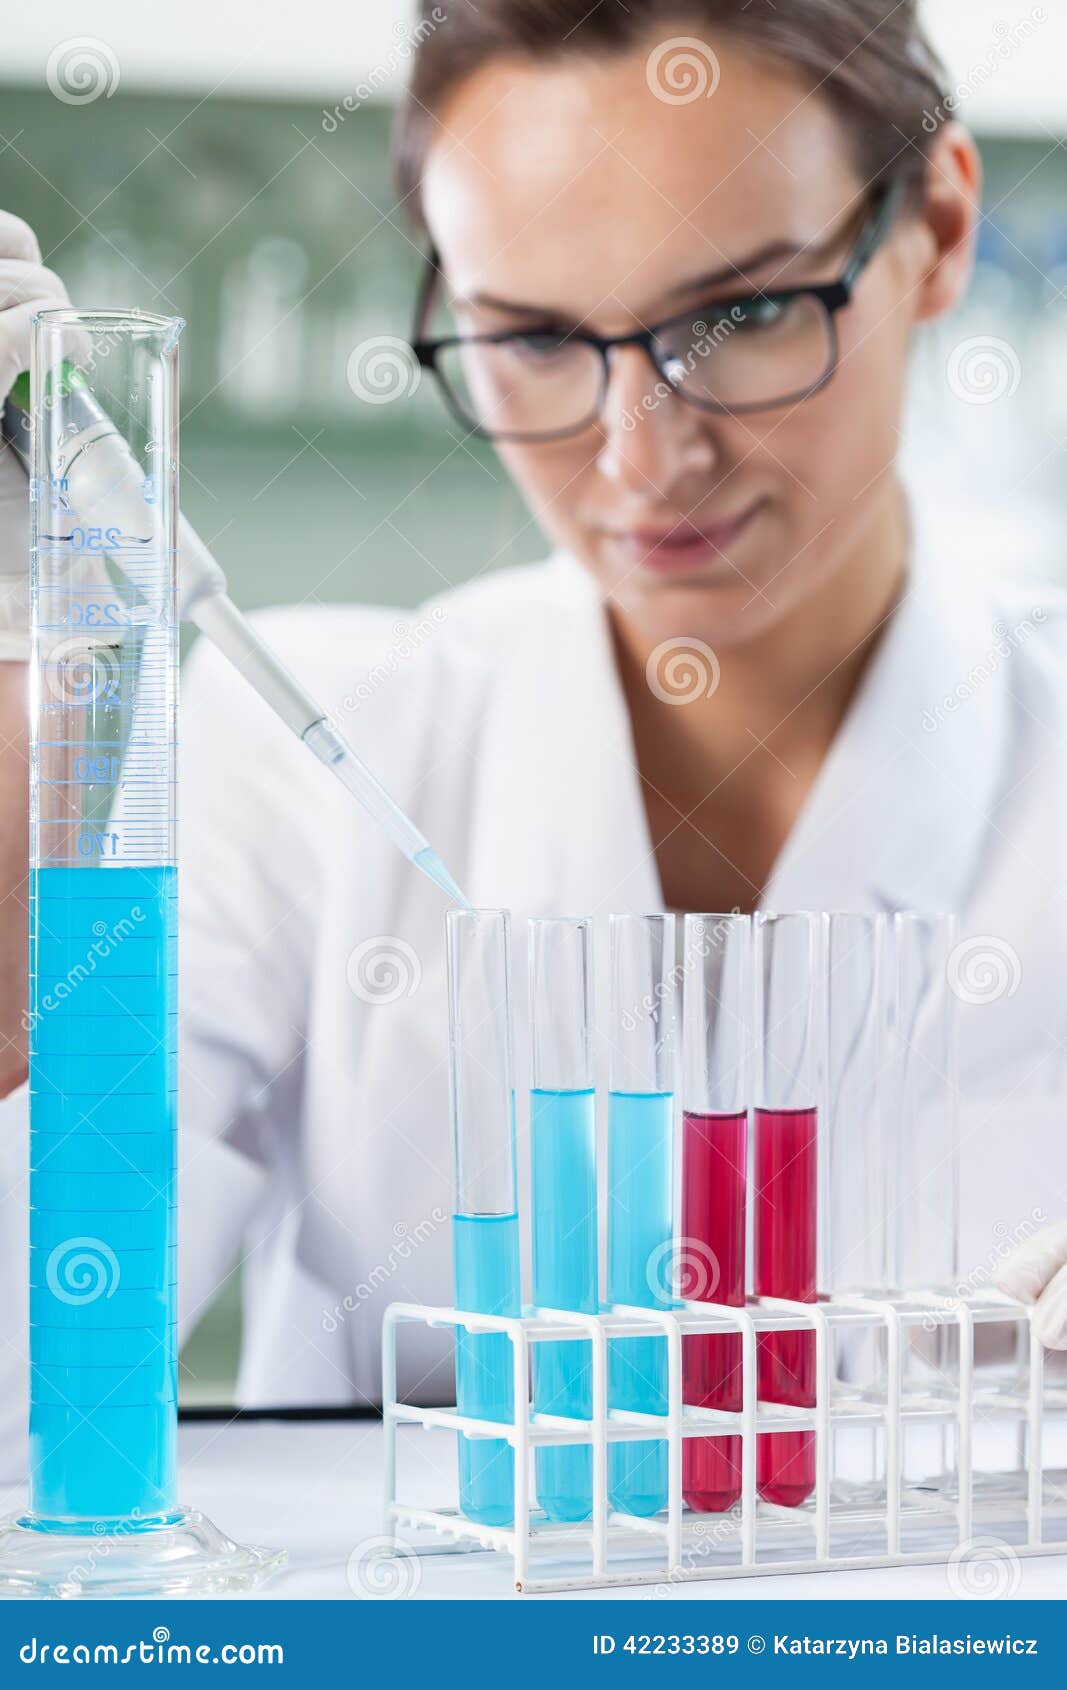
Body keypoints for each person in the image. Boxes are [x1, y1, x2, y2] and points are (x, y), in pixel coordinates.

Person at [0, 1, 1065, 1443]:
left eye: (742, 313)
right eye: (534, 338)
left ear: (936, 227)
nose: (644, 453)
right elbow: (38, 1380)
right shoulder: (305, 760)